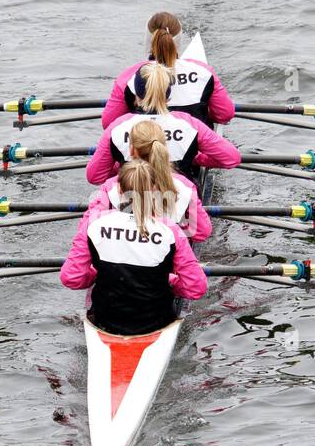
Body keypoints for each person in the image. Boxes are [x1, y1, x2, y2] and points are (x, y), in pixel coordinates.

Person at [60, 160, 207, 336]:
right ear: (155, 191)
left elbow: (71, 278)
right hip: (156, 321)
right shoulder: (170, 230)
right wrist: (170, 280)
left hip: (104, 319)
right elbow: (196, 288)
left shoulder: (93, 222)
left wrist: (99, 274)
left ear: (120, 190)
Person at [87, 60, 241, 184]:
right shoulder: (189, 124)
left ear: (135, 95)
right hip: (180, 202)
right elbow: (232, 158)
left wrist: (121, 166)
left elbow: (95, 177)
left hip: (132, 199)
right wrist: (195, 157)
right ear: (168, 95)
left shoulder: (117, 127)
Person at [84, 119, 212, 243]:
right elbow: (201, 233)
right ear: (164, 147)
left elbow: (90, 228)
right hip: (164, 258)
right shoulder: (184, 186)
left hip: (119, 257)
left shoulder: (110, 186)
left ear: (131, 150)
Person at [101, 12, 235, 128]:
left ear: (148, 40)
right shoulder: (204, 72)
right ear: (177, 41)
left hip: (145, 152)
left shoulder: (129, 76)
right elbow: (225, 114)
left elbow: (109, 123)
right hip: (195, 154)